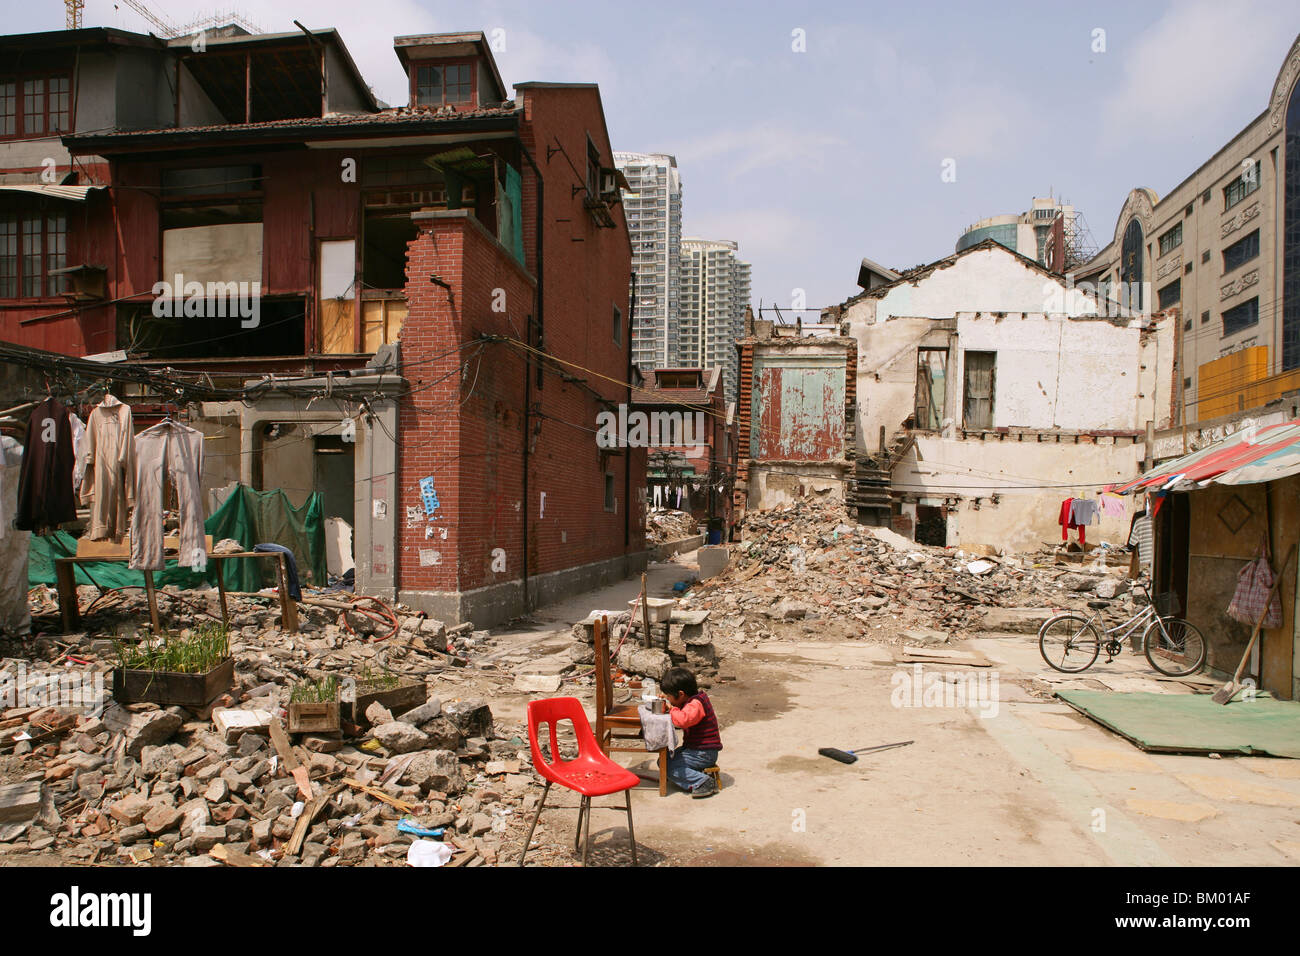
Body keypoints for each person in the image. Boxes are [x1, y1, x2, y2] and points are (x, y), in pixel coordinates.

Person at [660, 666, 722, 798]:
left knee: (668, 767)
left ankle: (702, 782)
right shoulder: (691, 700)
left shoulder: (696, 704)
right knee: (663, 761)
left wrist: (672, 709)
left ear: (681, 694)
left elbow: (683, 720)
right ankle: (692, 774)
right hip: (694, 749)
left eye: (670, 696)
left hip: (703, 752)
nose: (669, 699)